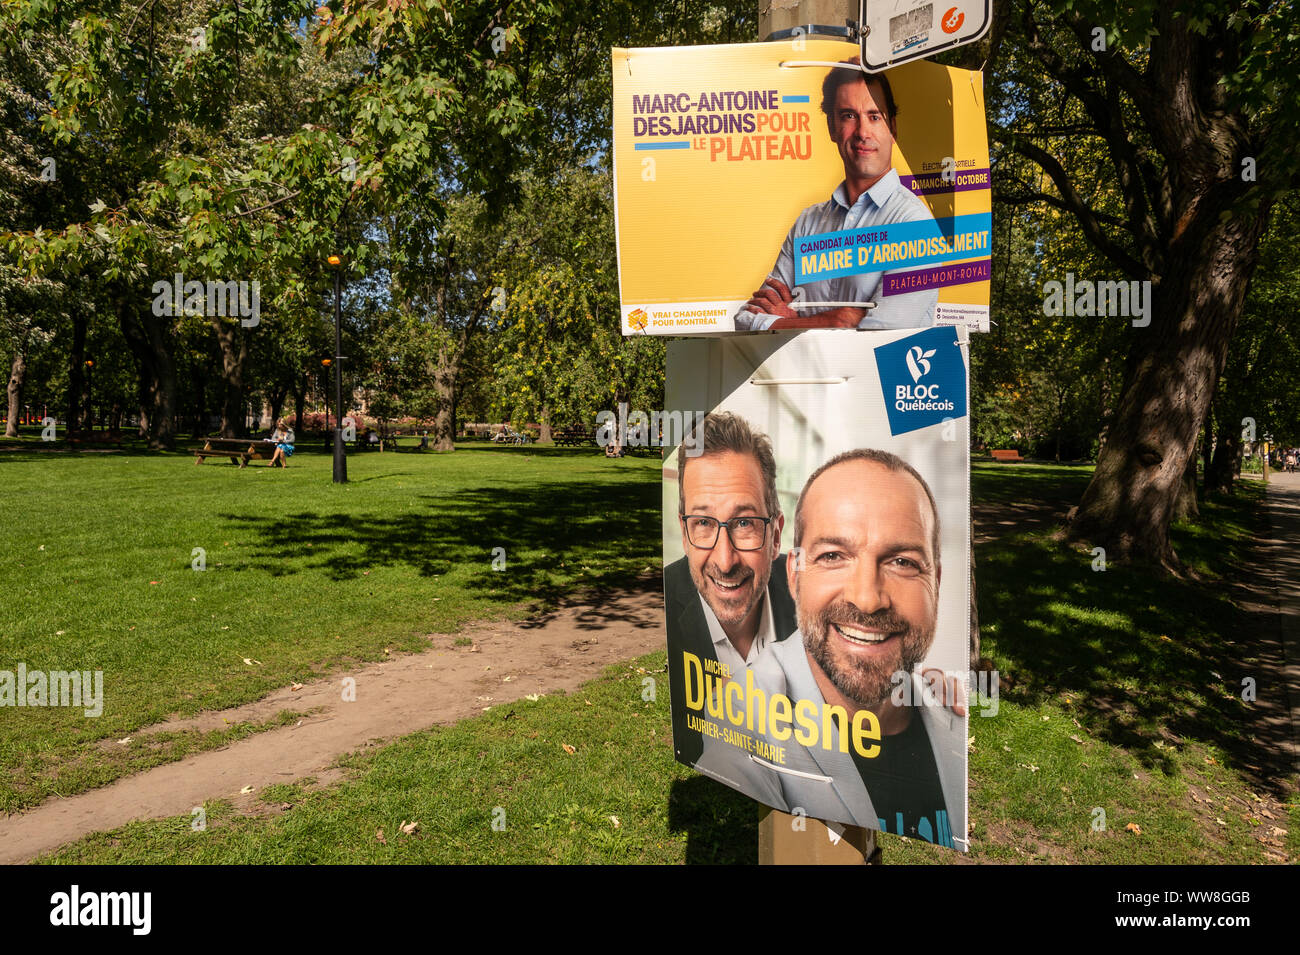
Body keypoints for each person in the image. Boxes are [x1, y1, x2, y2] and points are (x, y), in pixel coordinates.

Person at [696, 449, 966, 849]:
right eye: (833, 556)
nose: (868, 599)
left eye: (903, 562)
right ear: (794, 575)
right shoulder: (739, 714)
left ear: (937, 583)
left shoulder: (952, 715)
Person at [735, 59, 939, 331]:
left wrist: (789, 323)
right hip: (800, 375)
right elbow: (746, 319)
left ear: (893, 128)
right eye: (849, 116)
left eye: (874, 116)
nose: (863, 132)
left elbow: (884, 334)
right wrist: (837, 320)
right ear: (832, 127)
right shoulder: (807, 224)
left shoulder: (914, 224)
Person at [665, 412, 798, 766]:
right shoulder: (668, 598)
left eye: (744, 523)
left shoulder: (817, 599)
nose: (724, 561)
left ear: (775, 535)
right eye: (704, 523)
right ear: (684, 532)